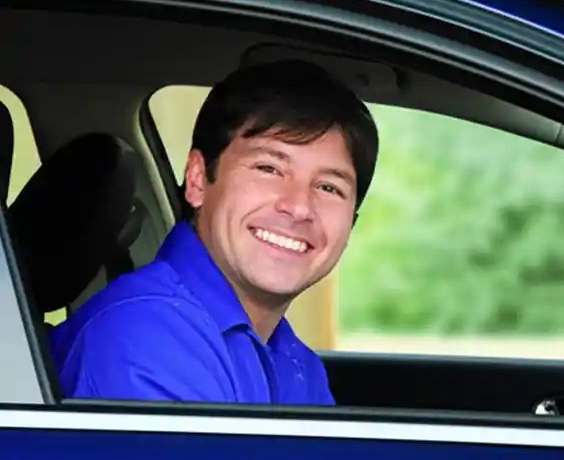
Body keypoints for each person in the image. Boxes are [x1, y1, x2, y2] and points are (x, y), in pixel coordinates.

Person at [50, 59, 378, 405]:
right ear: (197, 180)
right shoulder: (148, 336)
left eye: (328, 188)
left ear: (350, 224)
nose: (299, 207)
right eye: (269, 168)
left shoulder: (292, 357)